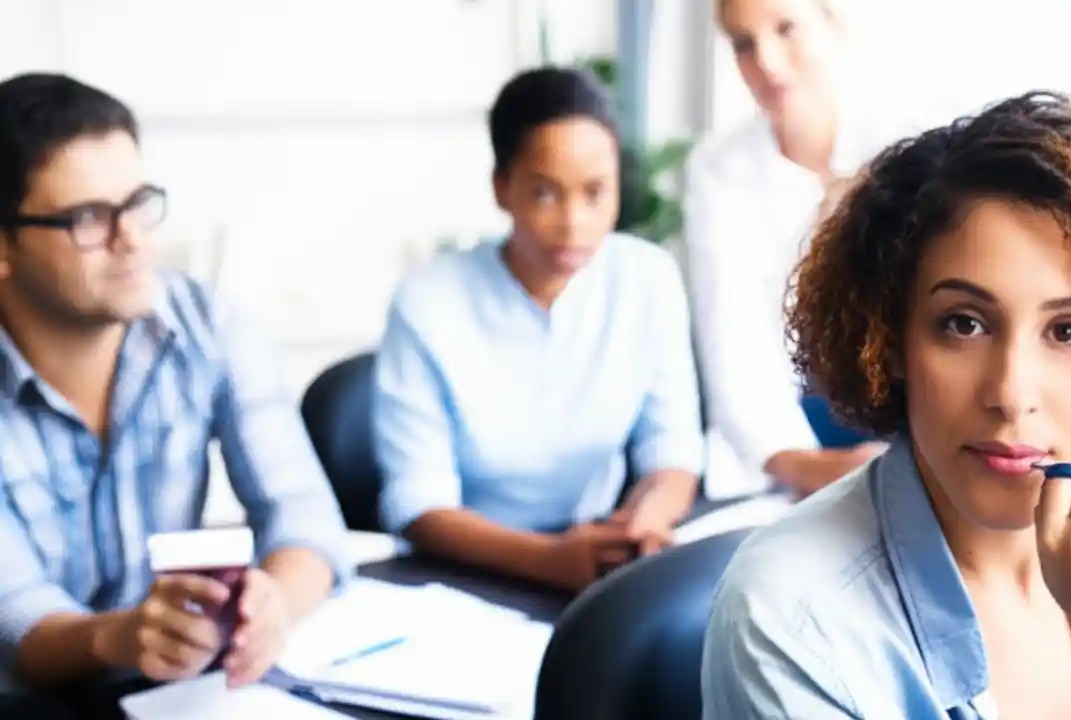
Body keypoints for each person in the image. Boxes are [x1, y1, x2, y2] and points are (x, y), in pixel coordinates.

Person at [701, 92, 1071, 718]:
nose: (1011, 393)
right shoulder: (793, 617)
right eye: (963, 324)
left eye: (1069, 331)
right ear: (887, 340)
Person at [0, 73, 352, 694]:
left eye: (137, 202)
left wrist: (273, 603)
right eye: (88, 217)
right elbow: (15, 624)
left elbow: (305, 520)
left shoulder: (209, 325)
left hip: (175, 692)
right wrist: (118, 637)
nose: (132, 239)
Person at [374, 67, 703, 594]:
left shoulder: (648, 278)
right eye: (545, 194)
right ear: (502, 188)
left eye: (596, 193)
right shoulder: (427, 303)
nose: (574, 222)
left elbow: (672, 447)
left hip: (598, 560)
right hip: (469, 573)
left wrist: (647, 519)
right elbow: (418, 503)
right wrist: (548, 560)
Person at [685, 0, 889, 499]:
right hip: (787, 438)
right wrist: (800, 465)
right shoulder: (719, 170)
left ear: (833, 22)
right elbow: (731, 338)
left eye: (786, 29)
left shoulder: (909, 137)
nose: (767, 63)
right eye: (743, 44)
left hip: (910, 416)